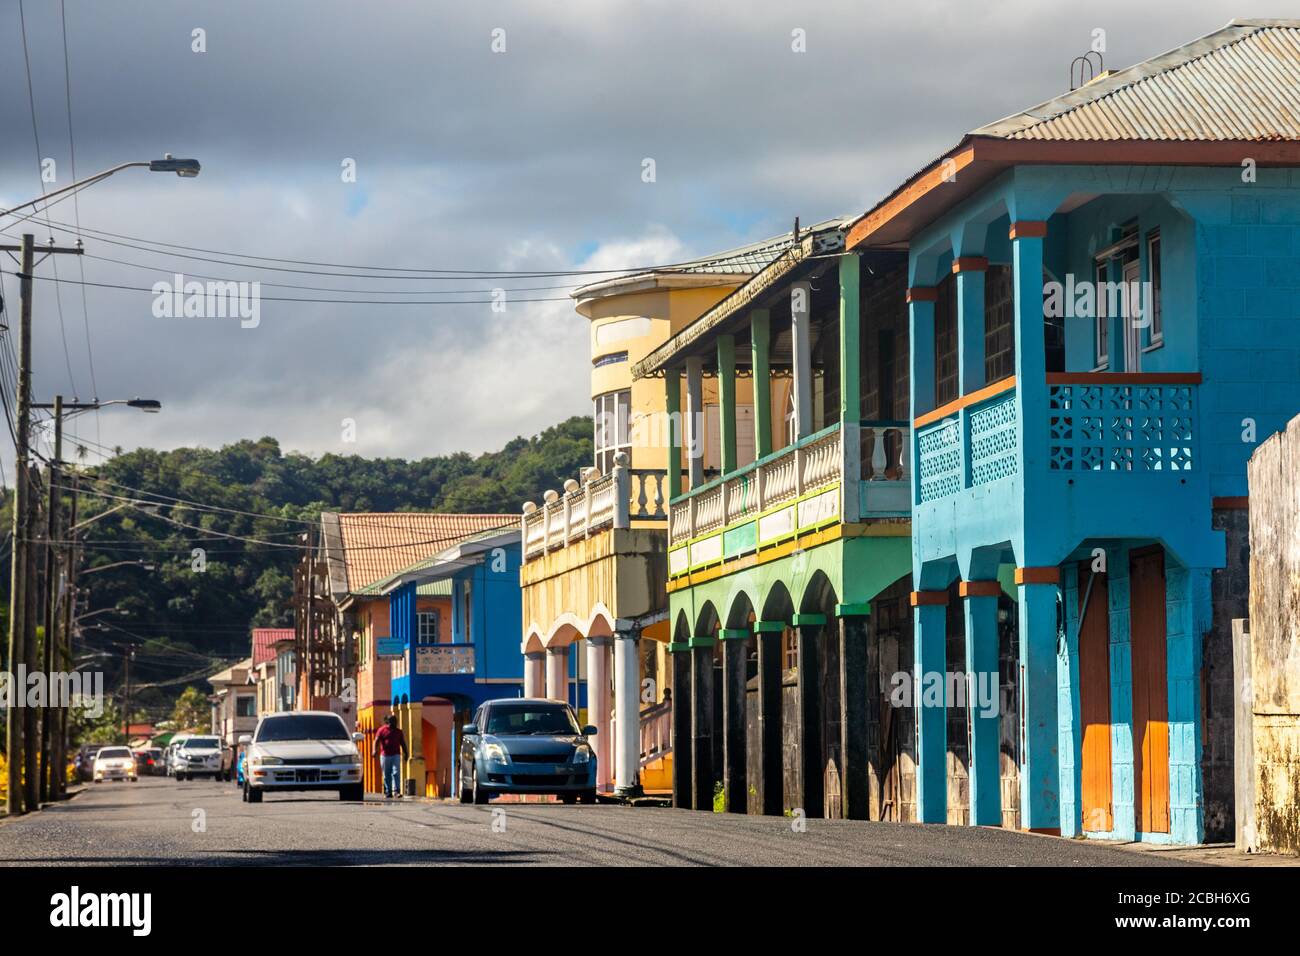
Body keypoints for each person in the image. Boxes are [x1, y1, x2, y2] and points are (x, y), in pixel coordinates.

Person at [373, 714, 409, 798]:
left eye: (396, 721)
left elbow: (402, 743)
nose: (395, 723)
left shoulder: (398, 731)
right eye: (393, 721)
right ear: (388, 722)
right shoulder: (381, 730)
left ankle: (396, 791)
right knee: (386, 774)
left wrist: (406, 753)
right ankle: (388, 791)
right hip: (385, 755)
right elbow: (376, 741)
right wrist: (374, 750)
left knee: (396, 772)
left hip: (396, 755)